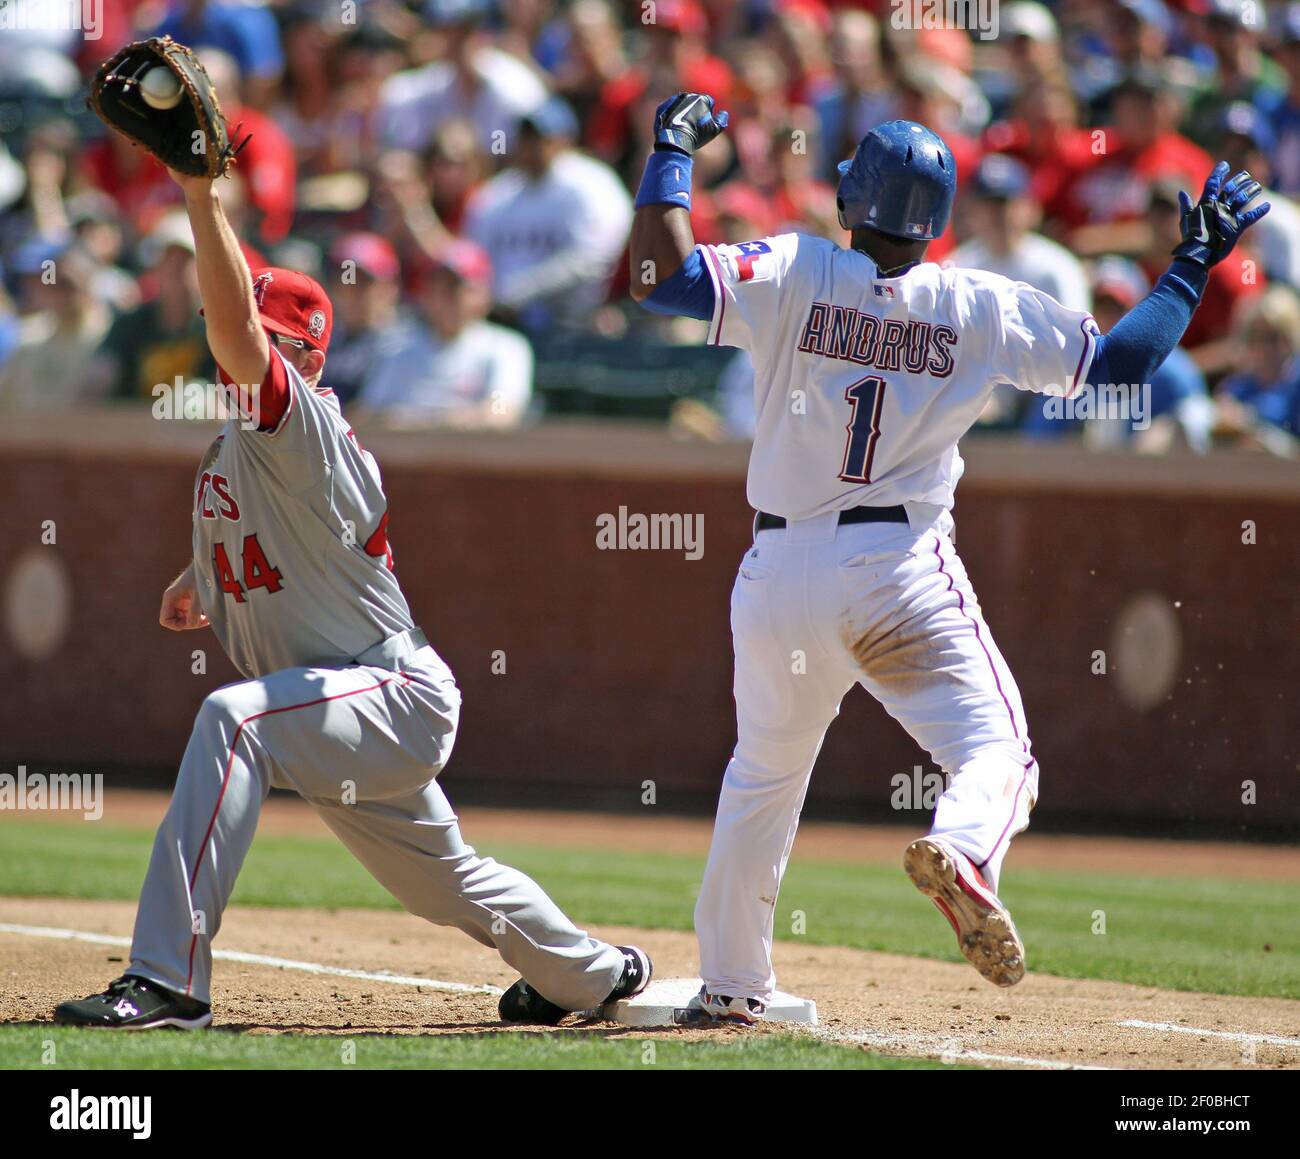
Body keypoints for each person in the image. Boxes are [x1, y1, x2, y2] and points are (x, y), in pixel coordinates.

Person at [629, 92, 1267, 1021]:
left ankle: (733, 983)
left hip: (774, 570)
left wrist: (671, 153)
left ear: (852, 201)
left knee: (761, 777)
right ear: (940, 218)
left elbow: (660, 274)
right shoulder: (978, 303)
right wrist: (1194, 261)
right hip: (894, 566)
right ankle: (964, 846)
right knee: (998, 749)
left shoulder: (798, 265)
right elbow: (1124, 369)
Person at [54, 160, 649, 1031]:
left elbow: (237, 347)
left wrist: (199, 199)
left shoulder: (301, 425)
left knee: (232, 718)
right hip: (336, 704)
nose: (236, 345)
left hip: (391, 691)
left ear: (304, 356)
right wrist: (199, 582)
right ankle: (594, 975)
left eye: (259, 335)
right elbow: (270, 552)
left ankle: (168, 978)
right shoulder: (234, 453)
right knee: (445, 880)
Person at [462, 96, 632, 334]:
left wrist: (519, 292)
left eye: (541, 138)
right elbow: (471, 257)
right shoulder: (496, 195)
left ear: (565, 140)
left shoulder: (592, 185)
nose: (532, 147)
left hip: (573, 323)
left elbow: (592, 259)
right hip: (500, 321)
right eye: (525, 138)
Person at [353, 241, 534, 429]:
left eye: (455, 288)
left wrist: (425, 421)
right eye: (437, 287)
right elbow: (369, 414)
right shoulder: (397, 350)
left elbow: (502, 413)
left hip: (477, 455)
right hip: (406, 456)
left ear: (483, 295)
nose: (444, 297)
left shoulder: (505, 348)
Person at [951, 154, 1091, 312]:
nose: (998, 215)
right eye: (988, 205)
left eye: (1005, 204)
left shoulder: (1056, 268)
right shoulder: (957, 267)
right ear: (971, 210)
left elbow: (1077, 334)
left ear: (1030, 208)